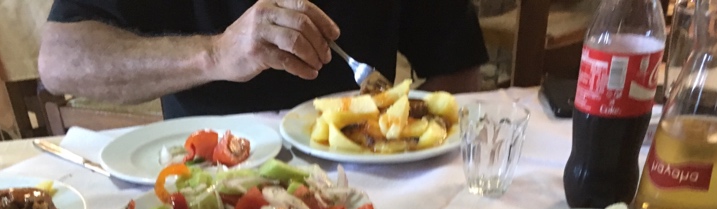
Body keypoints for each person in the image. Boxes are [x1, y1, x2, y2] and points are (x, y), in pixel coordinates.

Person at [37, 0, 489, 118]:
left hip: (366, 184)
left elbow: (458, 67)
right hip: (210, 178)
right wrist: (214, 54)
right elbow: (60, 61)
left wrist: (402, 139)